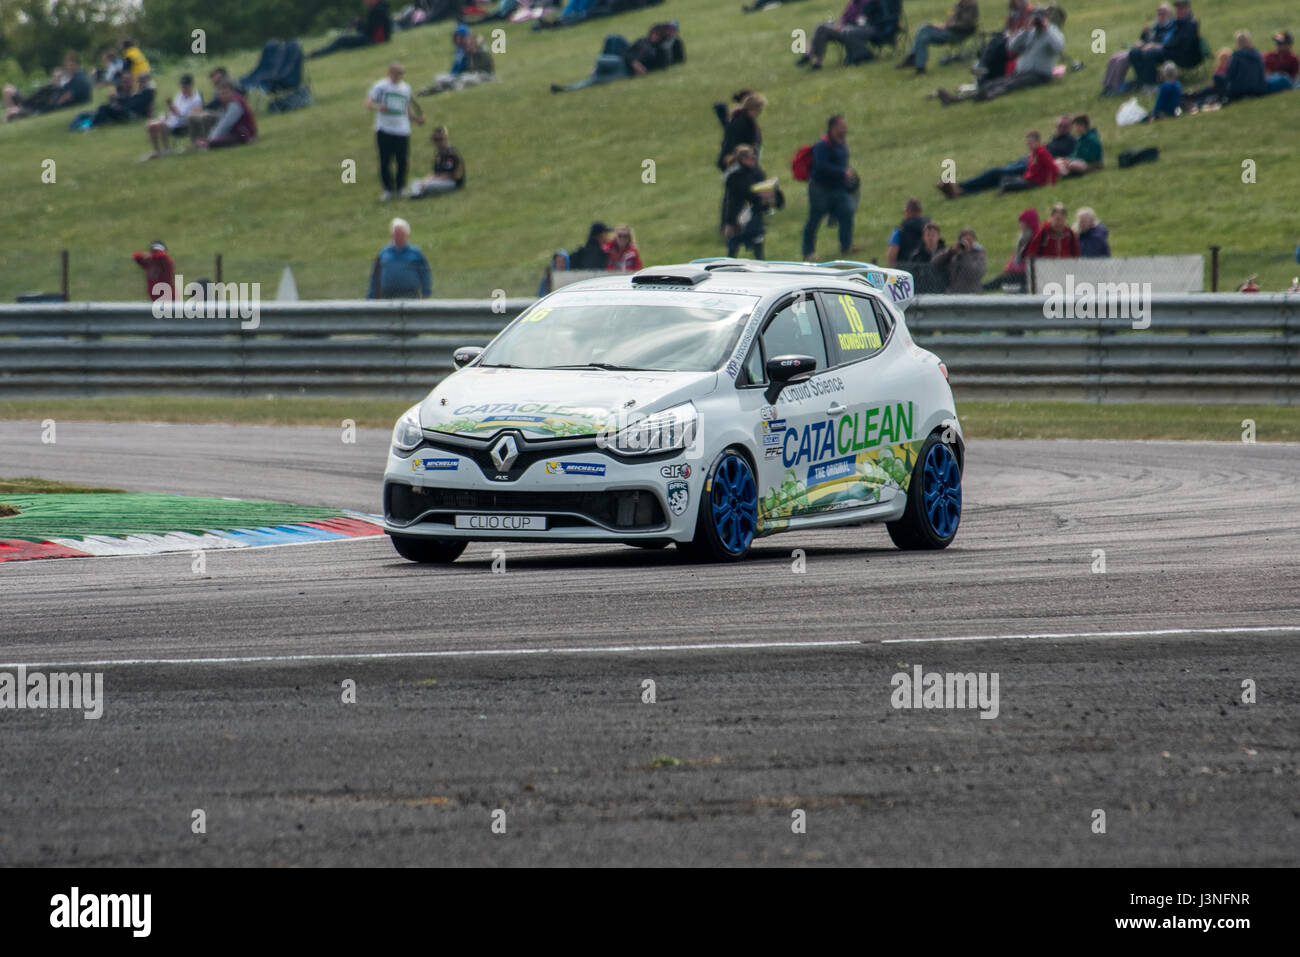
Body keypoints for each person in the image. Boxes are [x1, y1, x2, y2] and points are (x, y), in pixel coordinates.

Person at [935, 11, 1064, 103]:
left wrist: (1046, 28)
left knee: (1011, 85)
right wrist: (1025, 30)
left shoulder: (1052, 32)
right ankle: (957, 99)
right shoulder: (1029, 33)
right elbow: (1012, 46)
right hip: (1022, 72)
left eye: (1039, 20)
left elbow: (1059, 47)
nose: (1037, 23)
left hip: (1039, 74)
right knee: (995, 82)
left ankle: (988, 96)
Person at [551, 21, 684, 92]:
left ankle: (569, 88)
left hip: (626, 71)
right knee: (599, 68)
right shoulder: (642, 41)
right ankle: (568, 88)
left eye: (657, 35)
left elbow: (662, 65)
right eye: (653, 33)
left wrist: (643, 71)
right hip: (623, 64)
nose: (654, 36)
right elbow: (627, 52)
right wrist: (633, 62)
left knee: (598, 77)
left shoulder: (659, 51)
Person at [802, 114, 858, 260]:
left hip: (839, 188)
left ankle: (846, 246)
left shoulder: (841, 143)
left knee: (847, 213)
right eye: (842, 126)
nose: (845, 128)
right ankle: (808, 252)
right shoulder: (822, 145)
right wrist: (843, 172)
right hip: (820, 189)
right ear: (833, 128)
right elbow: (821, 166)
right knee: (815, 219)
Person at [367, 62, 424, 201]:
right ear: (389, 73)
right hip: (384, 129)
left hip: (402, 129)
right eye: (396, 73)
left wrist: (416, 119)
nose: (398, 76)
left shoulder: (405, 88)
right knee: (385, 160)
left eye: (401, 74)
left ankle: (401, 187)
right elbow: (368, 103)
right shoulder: (381, 86)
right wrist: (378, 107)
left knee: (402, 160)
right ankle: (388, 189)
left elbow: (406, 107)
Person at [721, 144, 783, 260]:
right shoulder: (734, 176)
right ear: (743, 159)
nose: (754, 160)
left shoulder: (755, 171)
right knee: (734, 245)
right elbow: (745, 193)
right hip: (738, 216)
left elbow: (761, 187)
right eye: (752, 158)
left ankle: (760, 265)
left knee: (758, 240)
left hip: (754, 214)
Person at [1103, 3, 1174, 94]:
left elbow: (1166, 44)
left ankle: (1116, 85)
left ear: (1169, 15)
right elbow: (1144, 40)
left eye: (1163, 13)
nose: (1160, 15)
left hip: (1150, 52)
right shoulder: (1155, 27)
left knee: (1121, 59)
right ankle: (1107, 85)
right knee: (1115, 57)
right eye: (1159, 12)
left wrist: (1150, 45)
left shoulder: (1170, 27)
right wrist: (1143, 36)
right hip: (1141, 50)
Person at [1128, 0, 1201, 88]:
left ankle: (1151, 84)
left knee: (1149, 54)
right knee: (1134, 52)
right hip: (1170, 50)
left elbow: (1180, 43)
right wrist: (1145, 39)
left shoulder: (1190, 23)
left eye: (1181, 8)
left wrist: (1159, 46)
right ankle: (1142, 81)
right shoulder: (1178, 21)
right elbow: (1163, 34)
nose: (1178, 11)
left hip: (1182, 55)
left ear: (1188, 9)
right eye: (1177, 8)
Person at [899, 0, 981, 75]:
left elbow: (966, 23)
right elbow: (952, 19)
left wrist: (947, 25)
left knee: (924, 34)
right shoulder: (959, 4)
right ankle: (918, 64)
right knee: (924, 28)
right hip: (949, 30)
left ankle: (915, 60)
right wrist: (943, 25)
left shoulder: (971, 5)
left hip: (958, 34)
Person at [3, 53, 93, 121]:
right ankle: (16, 109)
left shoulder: (78, 80)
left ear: (75, 64)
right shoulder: (77, 78)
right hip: (36, 103)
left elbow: (61, 100)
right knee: (8, 90)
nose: (66, 67)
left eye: (69, 64)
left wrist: (55, 87)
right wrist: (56, 83)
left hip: (42, 107)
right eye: (66, 65)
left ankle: (14, 111)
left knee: (13, 110)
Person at [796, 0, 874, 71]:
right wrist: (839, 24)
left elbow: (861, 22)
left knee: (822, 29)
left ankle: (810, 56)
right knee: (820, 27)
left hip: (852, 31)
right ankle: (814, 60)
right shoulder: (853, 3)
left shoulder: (866, 3)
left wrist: (843, 26)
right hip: (844, 28)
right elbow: (844, 17)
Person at [418, 26, 496, 94]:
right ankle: (433, 89)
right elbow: (457, 68)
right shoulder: (462, 51)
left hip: (483, 75)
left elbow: (487, 67)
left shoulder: (481, 50)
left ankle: (440, 89)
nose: (458, 40)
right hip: (466, 75)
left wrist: (475, 52)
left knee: (462, 80)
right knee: (440, 78)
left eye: (460, 37)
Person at [368, 218, 432, 298]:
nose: (398, 237)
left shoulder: (416, 253)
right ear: (391, 235)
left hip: (410, 296)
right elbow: (375, 277)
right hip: (387, 297)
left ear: (407, 235)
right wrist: (371, 297)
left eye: (401, 234)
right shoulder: (383, 253)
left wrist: (426, 292)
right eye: (396, 234)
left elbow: (425, 273)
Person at [982, 208, 1039, 292]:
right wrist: (1009, 268)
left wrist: (1013, 269)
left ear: (1029, 223)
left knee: (1004, 280)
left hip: (1029, 273)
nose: (1020, 225)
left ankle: (982, 287)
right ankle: (983, 287)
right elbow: (1015, 258)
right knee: (1004, 279)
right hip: (1018, 273)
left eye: (1022, 222)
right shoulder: (1023, 238)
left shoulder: (1036, 238)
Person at [146, 74, 203, 157]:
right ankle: (156, 151)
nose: (183, 89)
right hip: (172, 121)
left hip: (183, 124)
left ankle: (166, 150)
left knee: (162, 124)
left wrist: (177, 113)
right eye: (182, 87)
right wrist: (169, 111)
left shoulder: (196, 99)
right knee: (151, 125)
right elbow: (172, 111)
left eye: (185, 87)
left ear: (191, 86)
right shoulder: (180, 95)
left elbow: (194, 116)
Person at [310, 0, 392, 58]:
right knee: (344, 42)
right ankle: (319, 52)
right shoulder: (382, 6)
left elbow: (369, 30)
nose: (363, 2)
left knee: (341, 40)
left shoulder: (377, 9)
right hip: (379, 38)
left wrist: (358, 23)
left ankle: (317, 54)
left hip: (374, 40)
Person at [193, 81, 257, 149]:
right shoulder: (226, 103)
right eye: (221, 94)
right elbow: (221, 121)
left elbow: (226, 123)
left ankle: (206, 144)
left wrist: (212, 138)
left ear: (231, 92)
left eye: (225, 93)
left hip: (245, 134)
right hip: (237, 131)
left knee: (219, 141)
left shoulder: (235, 104)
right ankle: (205, 142)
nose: (223, 96)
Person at [408, 126, 465, 197]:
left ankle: (418, 194)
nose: (437, 142)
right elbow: (436, 173)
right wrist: (426, 180)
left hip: (453, 183)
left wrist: (428, 182)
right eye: (435, 140)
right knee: (415, 181)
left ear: (445, 139)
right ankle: (416, 193)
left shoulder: (451, 153)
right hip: (440, 180)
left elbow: (450, 175)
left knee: (428, 186)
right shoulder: (439, 153)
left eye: (440, 139)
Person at [930, 227, 988, 292]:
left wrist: (966, 254)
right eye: (965, 240)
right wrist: (950, 252)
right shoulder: (955, 252)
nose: (967, 243)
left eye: (970, 240)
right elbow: (934, 262)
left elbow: (975, 273)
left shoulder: (979, 254)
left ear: (974, 241)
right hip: (953, 292)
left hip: (972, 294)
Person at [716, 93, 764, 171]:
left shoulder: (744, 120)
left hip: (744, 160)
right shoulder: (741, 122)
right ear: (752, 109)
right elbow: (735, 143)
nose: (760, 112)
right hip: (738, 161)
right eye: (759, 109)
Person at [1224, 30, 1267, 102]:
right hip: (1259, 89)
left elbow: (1229, 75)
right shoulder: (1258, 54)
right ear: (1249, 41)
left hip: (1240, 91)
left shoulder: (1236, 56)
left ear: (1238, 43)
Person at [886, 198, 930, 266]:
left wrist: (892, 269)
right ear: (921, 211)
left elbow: (892, 253)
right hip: (926, 270)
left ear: (907, 211)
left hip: (905, 271)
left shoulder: (899, 231)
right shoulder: (930, 229)